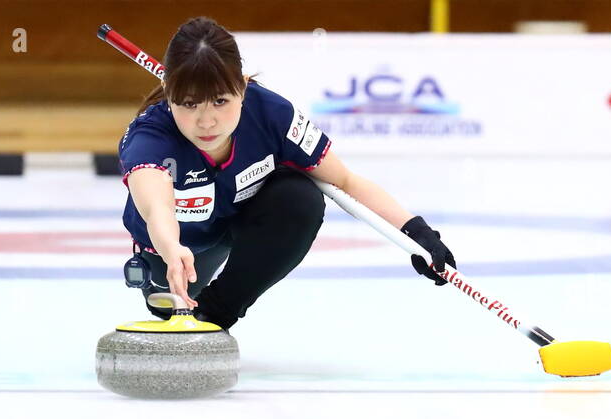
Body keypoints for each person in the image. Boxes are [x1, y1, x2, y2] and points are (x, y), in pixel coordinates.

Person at [118, 16, 457, 331]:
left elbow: (347, 181)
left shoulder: (272, 115)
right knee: (167, 310)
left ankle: (215, 313)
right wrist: (170, 247)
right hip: (177, 247)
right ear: (171, 98)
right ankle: (175, 286)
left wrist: (416, 232)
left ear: (244, 86)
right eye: (189, 104)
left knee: (300, 198)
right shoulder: (149, 137)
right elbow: (157, 207)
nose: (206, 122)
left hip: (241, 220)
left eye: (220, 101)